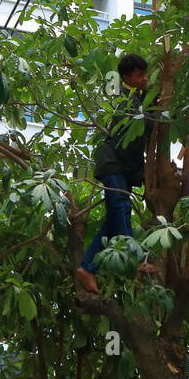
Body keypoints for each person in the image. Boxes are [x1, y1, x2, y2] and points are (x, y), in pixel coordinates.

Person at [75, 53, 158, 294]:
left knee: (113, 219)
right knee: (120, 208)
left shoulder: (139, 98)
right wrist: (158, 108)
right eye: (139, 75)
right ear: (126, 78)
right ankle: (137, 260)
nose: (144, 79)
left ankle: (87, 268)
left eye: (145, 74)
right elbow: (142, 124)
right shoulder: (123, 100)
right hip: (113, 164)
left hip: (124, 167)